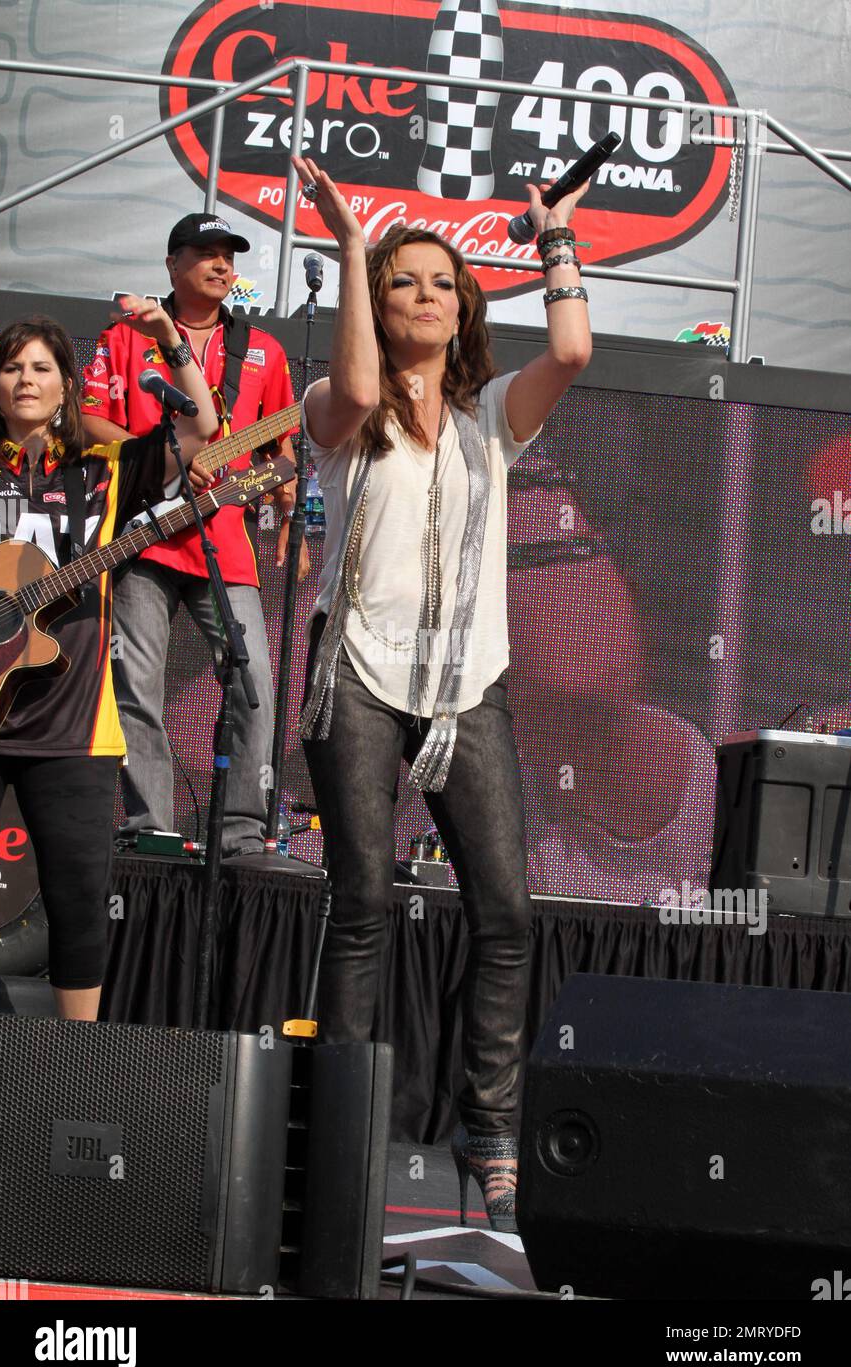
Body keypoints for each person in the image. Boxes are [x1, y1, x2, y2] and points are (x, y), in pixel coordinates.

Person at [293, 153, 591, 1229]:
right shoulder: (337, 403)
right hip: (359, 681)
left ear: (463, 309)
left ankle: (493, 1138)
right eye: (397, 283)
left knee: (506, 914)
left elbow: (570, 345)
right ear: (372, 306)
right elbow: (367, 387)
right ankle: (338, 1128)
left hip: (469, 690)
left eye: (436, 283)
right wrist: (346, 242)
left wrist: (551, 233)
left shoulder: (495, 418)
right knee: (363, 901)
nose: (418, 294)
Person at [0, 308, 217, 1020]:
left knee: (79, 901)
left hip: (74, 725)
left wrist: (172, 342)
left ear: (67, 389)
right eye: (11, 366)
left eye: (41, 368)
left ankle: (75, 1063)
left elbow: (200, 431)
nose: (26, 379)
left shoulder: (104, 471)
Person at [81, 213, 307, 857]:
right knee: (135, 686)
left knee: (254, 683)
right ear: (172, 264)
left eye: (229, 256)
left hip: (223, 541)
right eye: (205, 254)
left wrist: (263, 489)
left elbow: (286, 454)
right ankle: (150, 826)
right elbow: (90, 421)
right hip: (139, 535)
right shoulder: (125, 337)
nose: (221, 266)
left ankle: (240, 831)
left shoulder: (264, 349)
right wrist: (166, 462)